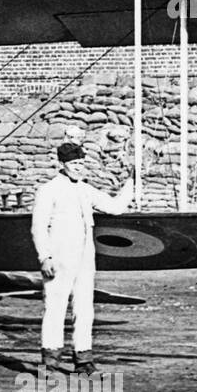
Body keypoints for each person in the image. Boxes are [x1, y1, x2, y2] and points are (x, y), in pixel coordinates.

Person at [30, 141, 133, 375]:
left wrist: (131, 183)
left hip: (85, 260)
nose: (79, 168)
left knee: (85, 309)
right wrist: (44, 257)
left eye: (82, 163)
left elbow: (115, 207)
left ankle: (84, 361)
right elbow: (38, 227)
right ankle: (50, 364)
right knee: (55, 308)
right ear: (62, 164)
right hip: (59, 259)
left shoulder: (86, 190)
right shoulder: (49, 190)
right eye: (74, 164)